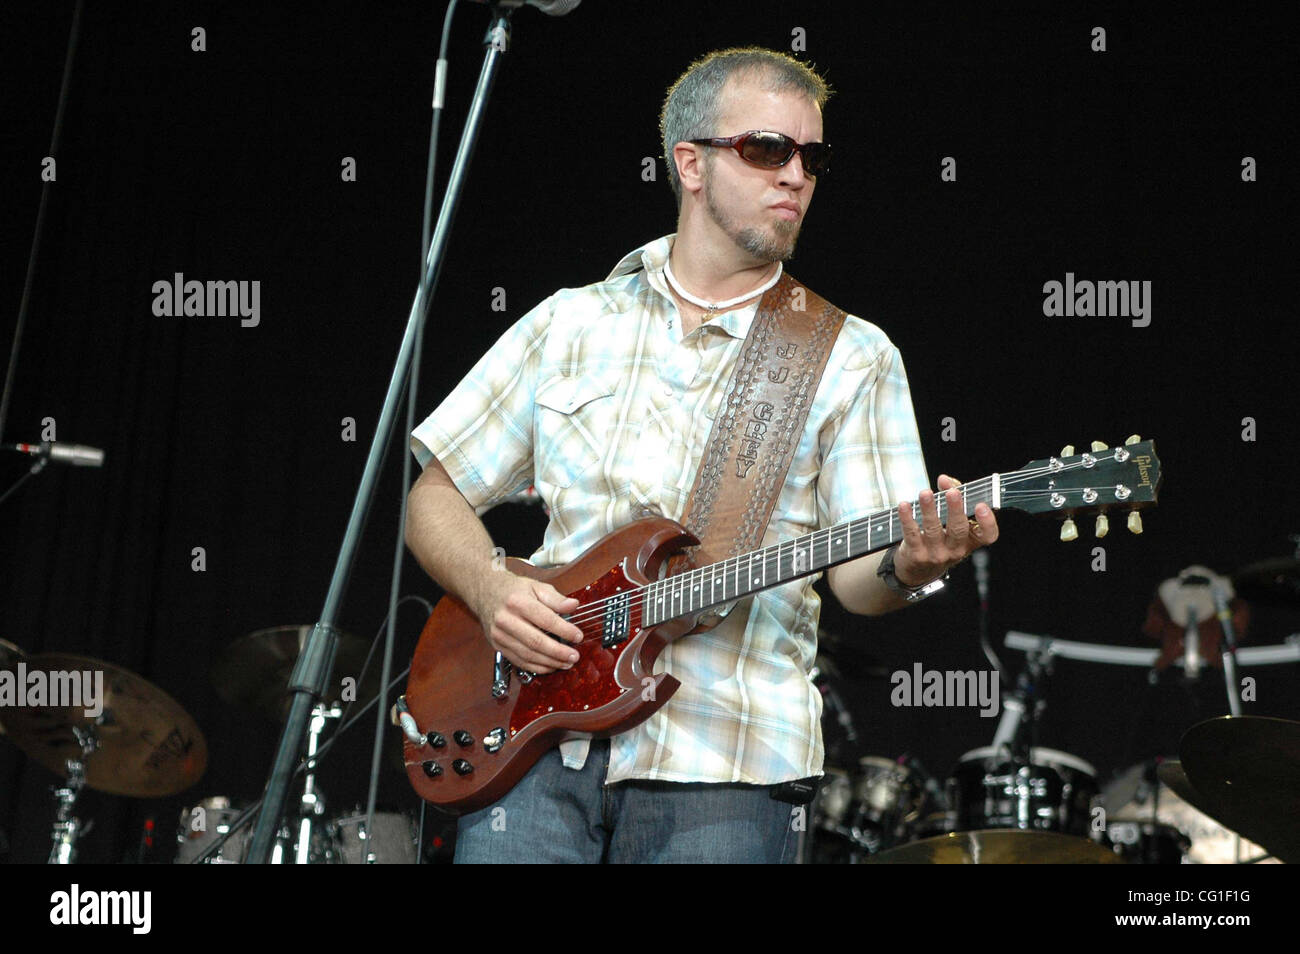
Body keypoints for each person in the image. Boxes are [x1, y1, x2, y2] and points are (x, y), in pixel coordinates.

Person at [404, 47, 998, 863]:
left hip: (729, 763)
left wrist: (917, 562)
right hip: (529, 747)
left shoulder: (851, 355)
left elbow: (862, 583)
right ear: (690, 162)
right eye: (767, 150)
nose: (795, 175)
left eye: (813, 158)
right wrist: (491, 586)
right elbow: (433, 497)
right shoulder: (570, 322)